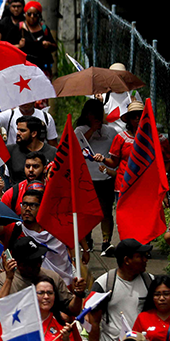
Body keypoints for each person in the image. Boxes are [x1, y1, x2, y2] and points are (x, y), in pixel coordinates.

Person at [87, 239, 156, 341]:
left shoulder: (151, 282)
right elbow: (93, 323)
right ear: (127, 260)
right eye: (140, 256)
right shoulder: (103, 284)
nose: (146, 259)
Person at [74, 98, 119, 255]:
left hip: (106, 177)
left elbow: (116, 153)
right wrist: (92, 129)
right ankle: (87, 240)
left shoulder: (111, 131)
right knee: (86, 212)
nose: (97, 117)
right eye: (93, 114)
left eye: (99, 113)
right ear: (86, 115)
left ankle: (106, 241)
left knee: (106, 210)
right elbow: (76, 145)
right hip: (86, 178)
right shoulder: (79, 131)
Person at [5, 116, 57, 183]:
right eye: (18, 129)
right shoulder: (10, 150)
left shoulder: (53, 153)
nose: (18, 133)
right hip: (17, 192)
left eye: (22, 130)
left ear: (34, 133)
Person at [18, 1, 56, 74]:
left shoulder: (44, 28)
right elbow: (9, 46)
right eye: (29, 14)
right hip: (24, 68)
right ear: (25, 15)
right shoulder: (19, 28)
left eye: (35, 15)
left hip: (41, 68)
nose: (32, 17)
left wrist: (48, 45)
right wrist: (19, 46)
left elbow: (54, 46)